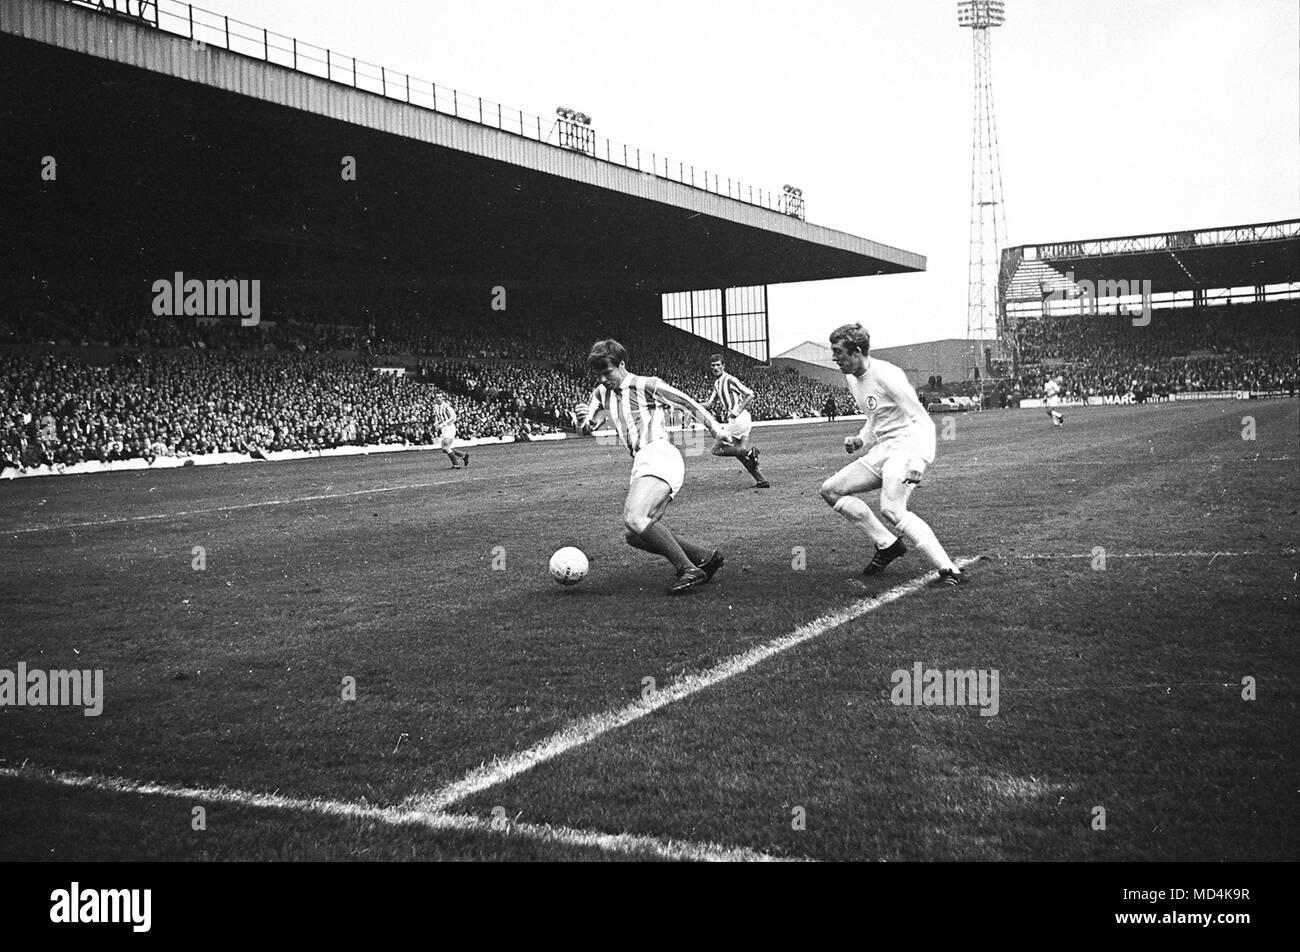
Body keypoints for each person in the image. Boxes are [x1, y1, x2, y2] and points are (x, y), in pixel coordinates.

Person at [576, 339, 729, 594]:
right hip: (643, 460)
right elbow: (586, 428)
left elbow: (687, 403)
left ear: (621, 364)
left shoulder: (647, 384)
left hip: (658, 453)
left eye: (607, 372)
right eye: (599, 374)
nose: (603, 379)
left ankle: (688, 569)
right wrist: (582, 420)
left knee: (634, 517)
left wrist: (716, 430)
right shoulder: (600, 393)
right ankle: (706, 558)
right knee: (635, 535)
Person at [818, 323, 966, 587]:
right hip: (883, 449)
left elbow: (922, 420)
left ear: (857, 351)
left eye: (839, 352)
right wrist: (861, 439)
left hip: (906, 448)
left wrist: (919, 461)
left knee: (892, 509)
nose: (834, 358)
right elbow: (875, 418)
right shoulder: (852, 378)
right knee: (830, 490)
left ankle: (949, 569)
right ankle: (886, 544)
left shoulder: (888, 375)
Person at [703, 354, 769, 488]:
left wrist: (737, 410)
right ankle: (761, 480)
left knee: (716, 449)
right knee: (739, 452)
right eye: (713, 365)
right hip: (740, 420)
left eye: (718, 365)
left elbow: (750, 394)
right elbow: (709, 404)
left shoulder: (730, 379)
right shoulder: (717, 384)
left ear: (723, 366)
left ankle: (751, 453)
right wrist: (691, 404)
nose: (715, 368)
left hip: (739, 419)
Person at [431, 397, 470, 468]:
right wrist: (436, 423)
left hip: (450, 427)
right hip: (443, 429)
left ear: (442, 398)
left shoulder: (446, 406)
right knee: (444, 449)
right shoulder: (436, 406)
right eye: (437, 397)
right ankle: (463, 455)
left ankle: (456, 464)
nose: (439, 399)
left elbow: (453, 417)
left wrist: (443, 424)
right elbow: (437, 416)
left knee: (446, 447)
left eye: (440, 397)